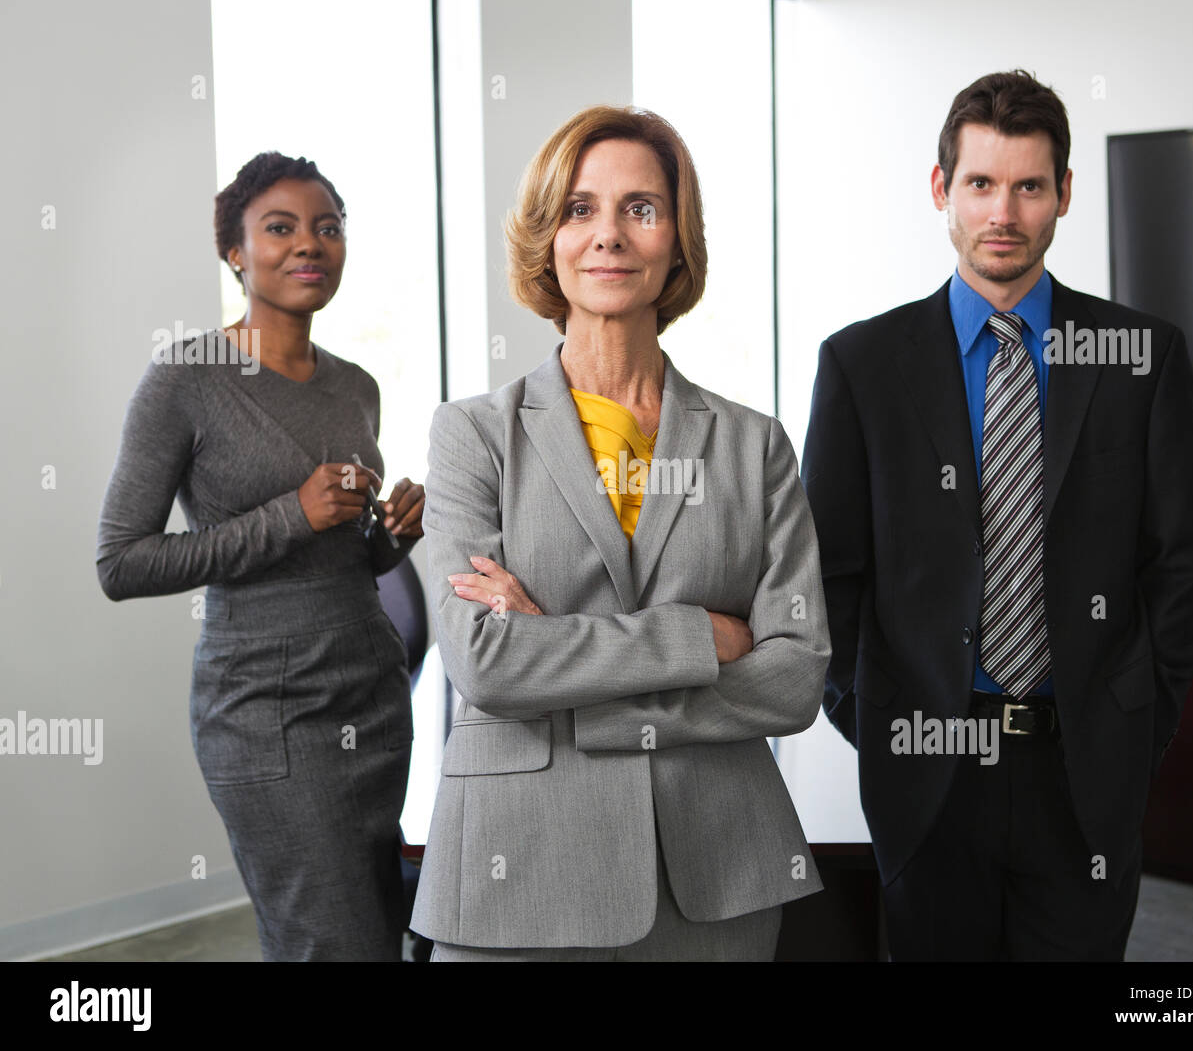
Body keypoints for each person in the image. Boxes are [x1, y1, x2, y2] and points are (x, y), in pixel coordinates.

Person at [801, 70, 1193, 960]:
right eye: (982, 184)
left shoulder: (1142, 356)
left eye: (1029, 186)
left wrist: (1139, 728)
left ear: (1064, 194)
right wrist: (874, 720)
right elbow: (829, 575)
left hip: (1085, 772)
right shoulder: (862, 367)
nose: (1004, 212)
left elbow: (1176, 565)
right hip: (928, 771)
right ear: (942, 188)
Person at [411, 105, 830, 961]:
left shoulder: (753, 445)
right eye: (578, 209)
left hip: (714, 880)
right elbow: (487, 665)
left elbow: (793, 680)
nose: (608, 234)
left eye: (640, 208)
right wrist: (699, 637)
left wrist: (559, 665)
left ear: (678, 241)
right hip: (514, 875)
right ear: (547, 239)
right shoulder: (472, 436)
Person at [96, 152, 425, 961]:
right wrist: (292, 514)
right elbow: (122, 563)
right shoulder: (183, 380)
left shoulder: (356, 386)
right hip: (265, 710)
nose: (308, 245)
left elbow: (356, 558)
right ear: (235, 252)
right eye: (280, 228)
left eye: (328, 228)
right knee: (331, 940)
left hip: (371, 693)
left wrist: (393, 536)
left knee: (376, 932)